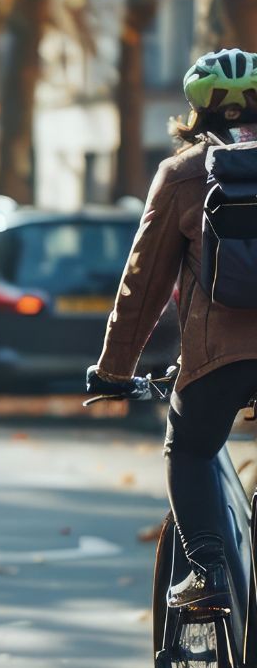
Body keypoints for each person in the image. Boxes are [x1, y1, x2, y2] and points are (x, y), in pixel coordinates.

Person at [89, 48, 257, 611]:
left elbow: (143, 283)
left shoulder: (183, 175)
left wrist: (114, 371)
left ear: (195, 110)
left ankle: (208, 571)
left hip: (217, 361)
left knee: (188, 449)